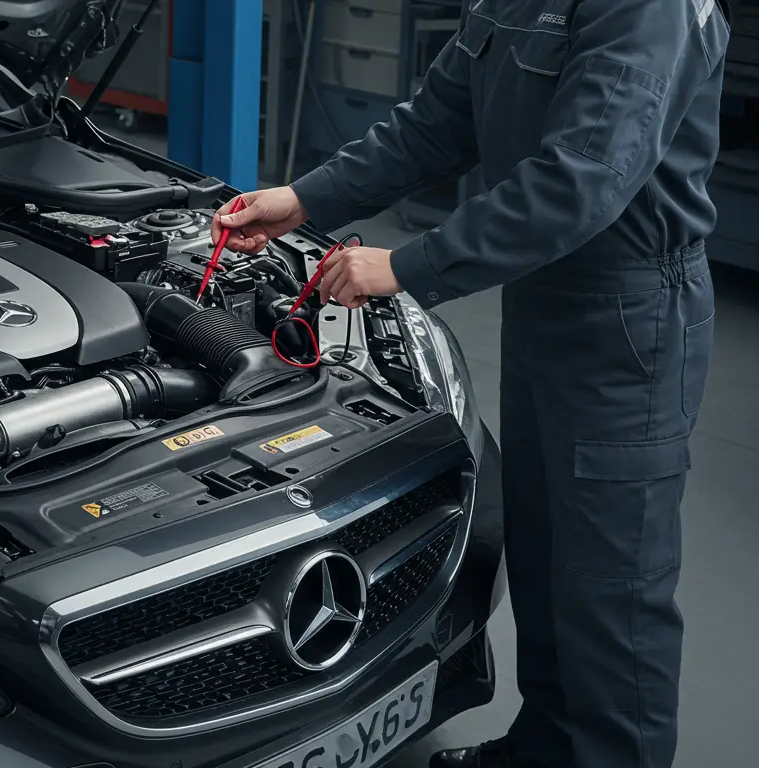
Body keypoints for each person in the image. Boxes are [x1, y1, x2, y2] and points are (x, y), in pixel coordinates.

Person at [210, 0, 731, 766]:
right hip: (544, 291)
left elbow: (583, 178)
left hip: (628, 320)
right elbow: (436, 123)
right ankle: (549, 748)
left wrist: (406, 265)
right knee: (546, 553)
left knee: (610, 586)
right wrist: (304, 200)